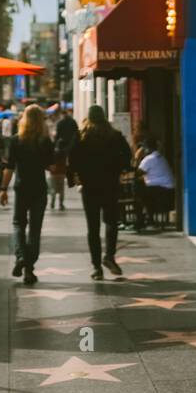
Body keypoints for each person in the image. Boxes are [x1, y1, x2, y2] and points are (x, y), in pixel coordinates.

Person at [68, 105, 131, 279]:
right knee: (111, 222)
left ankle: (96, 268)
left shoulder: (81, 136)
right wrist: (120, 169)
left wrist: (75, 177)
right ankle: (109, 256)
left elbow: (71, 159)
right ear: (103, 117)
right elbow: (127, 157)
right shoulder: (115, 136)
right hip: (110, 185)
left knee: (93, 227)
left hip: (90, 187)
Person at [0, 103, 55, 285]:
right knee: (35, 229)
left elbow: (9, 167)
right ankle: (29, 269)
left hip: (21, 187)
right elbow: (52, 166)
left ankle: (21, 257)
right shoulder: (45, 141)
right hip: (39, 188)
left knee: (18, 224)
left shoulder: (16, 140)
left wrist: (3, 189)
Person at [135, 142, 175, 231]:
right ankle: (149, 217)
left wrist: (137, 157)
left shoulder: (149, 159)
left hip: (160, 190)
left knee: (137, 192)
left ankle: (140, 221)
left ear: (147, 149)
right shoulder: (161, 157)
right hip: (168, 190)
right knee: (143, 191)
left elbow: (138, 172)